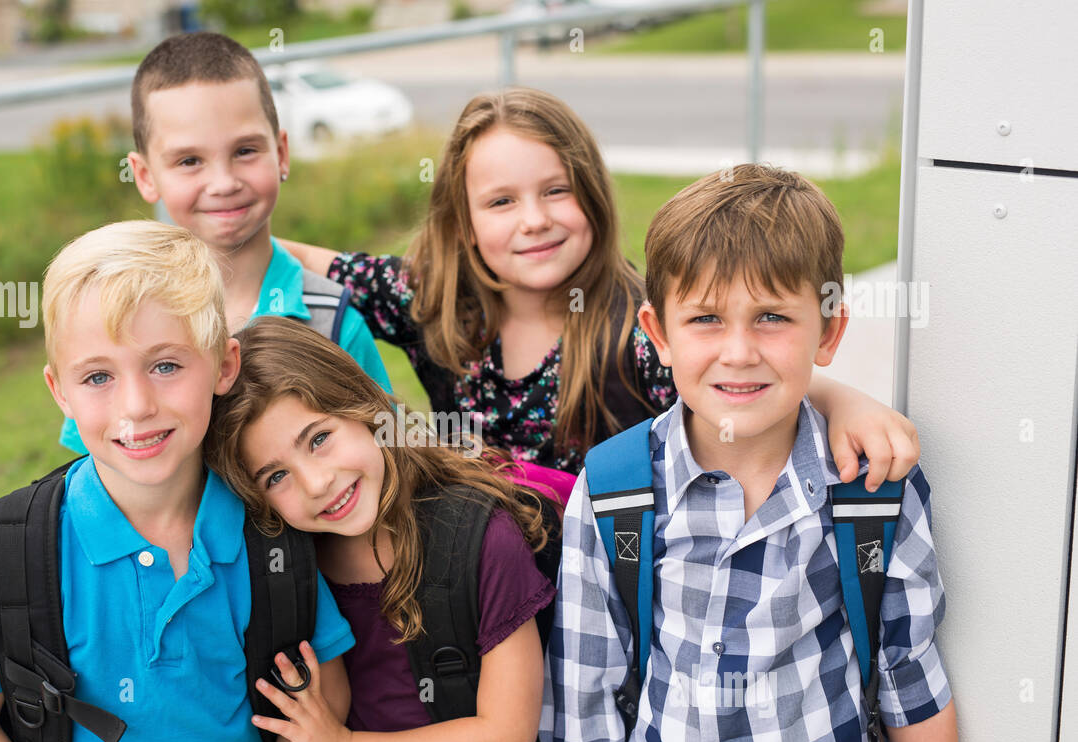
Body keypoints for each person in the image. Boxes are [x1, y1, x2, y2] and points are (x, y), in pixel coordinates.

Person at [532, 165, 964, 742]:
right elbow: (585, 727)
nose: (738, 351)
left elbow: (911, 688)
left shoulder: (874, 495)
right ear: (659, 332)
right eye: (705, 318)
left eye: (772, 317)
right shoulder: (614, 495)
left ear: (828, 332)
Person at [0, 221, 355, 742]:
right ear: (59, 392)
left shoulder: (267, 530)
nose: (136, 405)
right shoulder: (21, 548)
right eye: (97, 376)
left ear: (224, 364)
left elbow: (327, 693)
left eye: (165, 365)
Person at [281, 87, 918, 488]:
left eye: (556, 190)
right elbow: (313, 260)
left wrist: (842, 402)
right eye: (501, 201)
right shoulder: (437, 301)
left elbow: (740, 368)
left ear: (591, 194)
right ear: (465, 226)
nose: (534, 220)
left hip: (608, 599)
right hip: (481, 601)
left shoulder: (637, 333)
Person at [206, 316, 564, 742]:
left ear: (365, 408)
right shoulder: (280, 573)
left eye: (319, 439)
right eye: (275, 476)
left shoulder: (481, 537)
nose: (316, 482)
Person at [56, 31, 391, 454]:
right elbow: (96, 465)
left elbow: (389, 462)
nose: (223, 182)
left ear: (282, 153)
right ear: (144, 175)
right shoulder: (116, 314)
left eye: (245, 150)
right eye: (190, 161)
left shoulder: (333, 322)